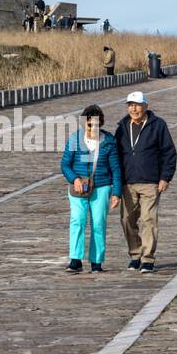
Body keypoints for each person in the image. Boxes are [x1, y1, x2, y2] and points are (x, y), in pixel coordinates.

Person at [114, 92, 176, 273]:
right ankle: (135, 254)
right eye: (130, 105)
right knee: (127, 219)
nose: (134, 108)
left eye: (137, 105)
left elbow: (169, 152)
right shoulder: (122, 126)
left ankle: (147, 258)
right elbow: (115, 155)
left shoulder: (158, 125)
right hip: (128, 181)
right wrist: (115, 181)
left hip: (151, 181)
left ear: (145, 106)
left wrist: (165, 177)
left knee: (148, 219)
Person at [61, 105, 121, 273]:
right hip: (78, 188)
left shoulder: (108, 141)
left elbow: (116, 169)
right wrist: (75, 179)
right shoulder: (75, 139)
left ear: (100, 123)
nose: (92, 128)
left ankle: (96, 261)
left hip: (101, 187)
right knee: (77, 220)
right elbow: (65, 164)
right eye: (89, 125)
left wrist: (116, 193)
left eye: (96, 124)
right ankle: (75, 260)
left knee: (99, 223)